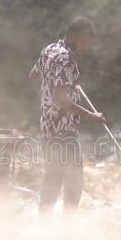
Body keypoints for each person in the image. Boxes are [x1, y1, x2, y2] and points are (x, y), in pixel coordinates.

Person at [31, 17, 106, 214]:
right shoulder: (67, 60)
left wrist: (63, 80)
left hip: (47, 126)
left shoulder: (49, 50)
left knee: (53, 177)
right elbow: (61, 100)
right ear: (72, 37)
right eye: (84, 41)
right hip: (63, 128)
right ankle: (67, 226)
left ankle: (44, 223)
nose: (87, 46)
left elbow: (34, 74)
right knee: (74, 179)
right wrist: (91, 115)